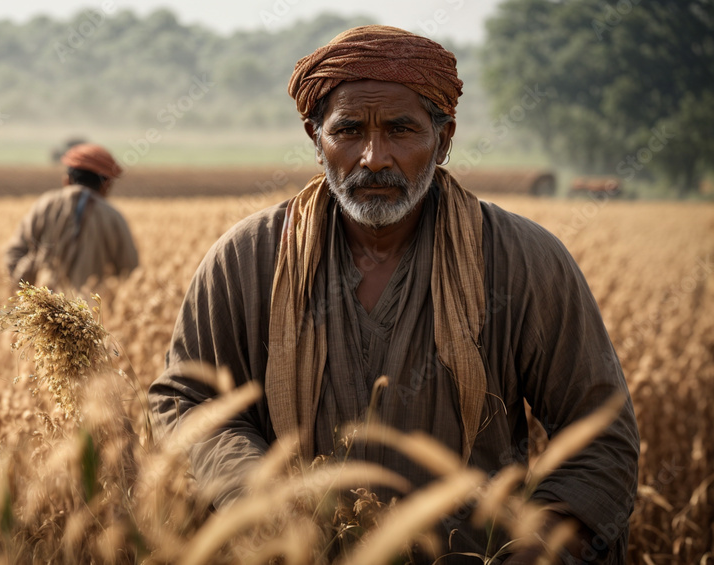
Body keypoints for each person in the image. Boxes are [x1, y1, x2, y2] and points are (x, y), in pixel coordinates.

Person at [147, 25, 638, 564]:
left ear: (443, 138)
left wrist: (541, 545)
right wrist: (262, 504)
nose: (374, 158)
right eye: (349, 131)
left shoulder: (523, 260)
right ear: (316, 140)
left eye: (402, 130)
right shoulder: (249, 259)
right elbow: (188, 403)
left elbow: (600, 436)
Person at [4, 143, 139, 292]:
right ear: (106, 184)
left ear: (67, 179)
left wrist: (27, 293)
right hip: (94, 310)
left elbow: (13, 255)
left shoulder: (44, 206)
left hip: (43, 307)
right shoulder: (113, 217)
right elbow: (130, 271)